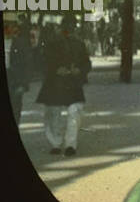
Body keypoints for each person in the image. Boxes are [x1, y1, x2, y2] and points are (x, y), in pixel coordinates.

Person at [37, 14, 91, 157]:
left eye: (71, 27)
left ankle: (66, 144)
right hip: (57, 82)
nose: (69, 30)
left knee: (70, 112)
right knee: (58, 113)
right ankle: (61, 143)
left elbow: (86, 64)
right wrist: (55, 69)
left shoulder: (77, 44)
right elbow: (44, 62)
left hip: (69, 82)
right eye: (67, 27)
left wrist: (79, 70)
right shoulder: (52, 43)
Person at [6, 15, 36, 120]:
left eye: (9, 25)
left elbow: (28, 65)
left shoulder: (21, 43)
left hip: (15, 82)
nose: (7, 28)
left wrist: (24, 84)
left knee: (15, 110)